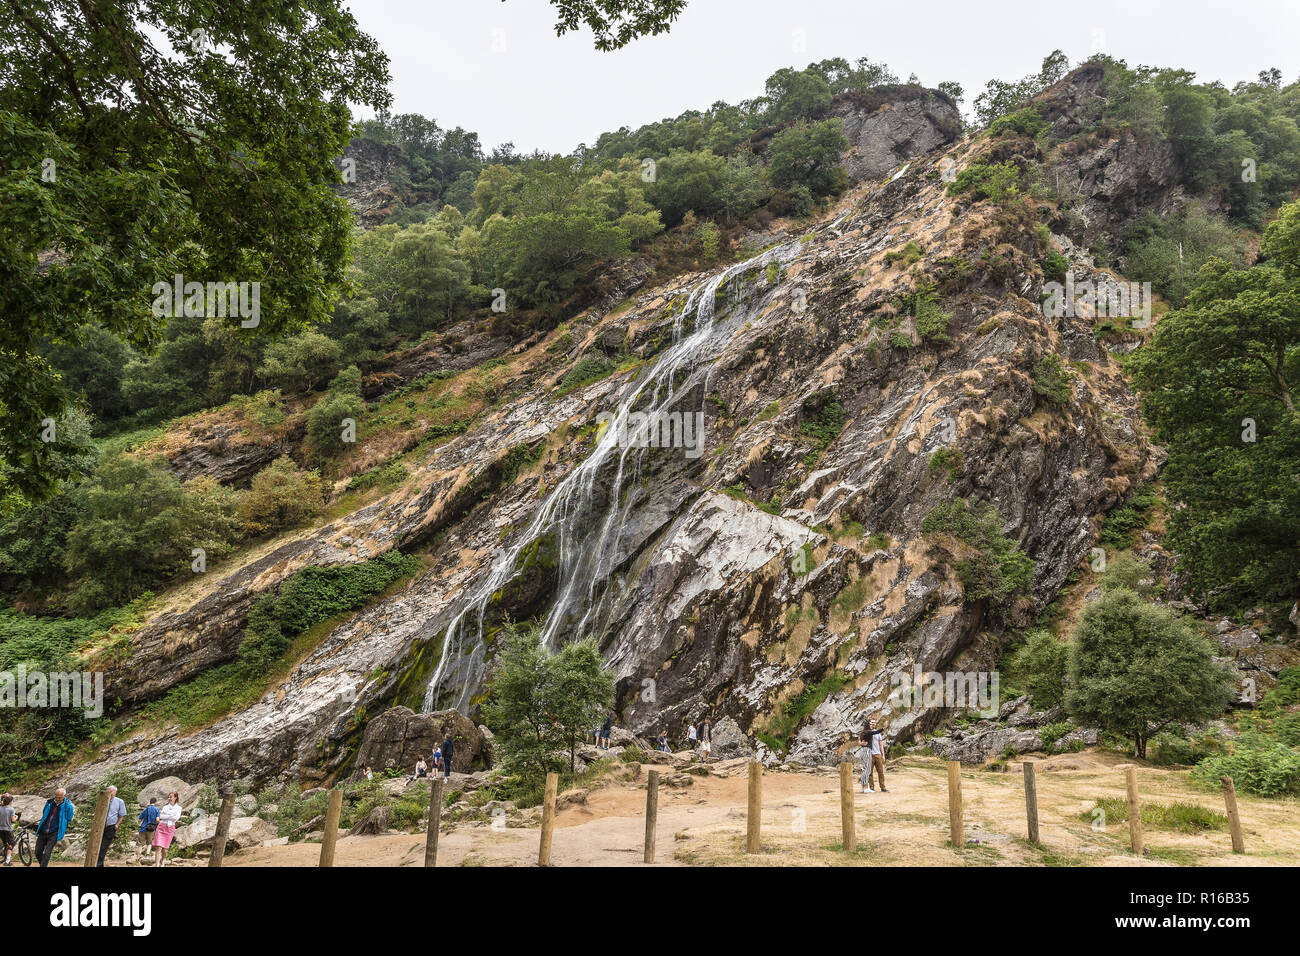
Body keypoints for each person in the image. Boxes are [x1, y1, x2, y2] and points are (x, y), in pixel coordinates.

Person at [35, 788, 75, 868]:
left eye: (59, 797)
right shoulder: (49, 802)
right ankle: (43, 864)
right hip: (43, 830)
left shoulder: (68, 806)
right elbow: (44, 813)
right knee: (37, 852)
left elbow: (69, 818)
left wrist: (62, 823)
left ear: (64, 796)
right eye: (56, 796)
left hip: (54, 832)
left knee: (47, 852)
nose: (57, 799)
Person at [97, 785, 128, 867]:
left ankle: (99, 864)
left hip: (111, 827)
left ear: (115, 792)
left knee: (103, 846)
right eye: (108, 791)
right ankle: (97, 863)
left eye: (111, 791)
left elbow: (122, 815)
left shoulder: (119, 801)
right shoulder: (102, 800)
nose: (109, 793)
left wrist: (117, 825)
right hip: (99, 827)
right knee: (97, 845)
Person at [152, 791, 182, 867]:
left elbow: (176, 818)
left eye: (171, 797)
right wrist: (170, 815)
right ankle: (157, 865)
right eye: (169, 797)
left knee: (165, 849)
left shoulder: (179, 808)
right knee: (158, 847)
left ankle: (162, 860)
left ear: (175, 797)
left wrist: (167, 815)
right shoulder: (165, 807)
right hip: (161, 827)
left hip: (170, 828)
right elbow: (160, 816)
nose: (169, 798)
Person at [136, 798, 160, 864]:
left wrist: (139, 824)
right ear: (155, 802)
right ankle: (147, 855)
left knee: (140, 844)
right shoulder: (157, 809)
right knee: (149, 843)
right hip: (151, 828)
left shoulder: (145, 810)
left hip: (143, 828)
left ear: (149, 802)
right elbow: (157, 820)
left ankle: (138, 858)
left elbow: (140, 819)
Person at [0, 794, 16, 866]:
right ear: (10, 802)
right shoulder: (11, 809)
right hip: (8, 829)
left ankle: (5, 856)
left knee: (5, 844)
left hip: (1, 829)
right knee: (12, 844)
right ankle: (7, 861)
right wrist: (16, 817)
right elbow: (13, 820)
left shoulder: (0, 808)